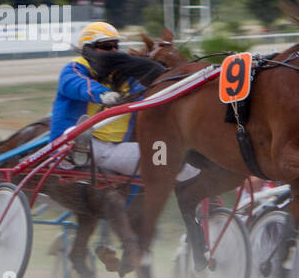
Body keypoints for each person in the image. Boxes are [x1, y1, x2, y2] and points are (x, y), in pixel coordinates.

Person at [50, 21, 197, 181]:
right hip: (78, 144)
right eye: (106, 47)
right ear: (89, 48)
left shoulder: (122, 74)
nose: (113, 51)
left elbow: (146, 96)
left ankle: (202, 193)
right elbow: (74, 84)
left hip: (116, 149)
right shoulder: (75, 68)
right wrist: (102, 94)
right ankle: (75, 150)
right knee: (71, 134)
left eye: (115, 46)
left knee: (173, 159)